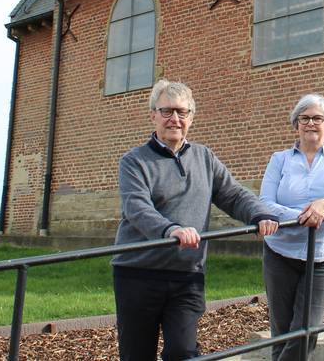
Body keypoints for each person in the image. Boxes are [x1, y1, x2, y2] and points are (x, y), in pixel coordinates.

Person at [112, 80, 279, 361]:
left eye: (181, 112)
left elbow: (233, 194)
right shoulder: (134, 161)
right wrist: (171, 229)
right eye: (166, 111)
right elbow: (137, 207)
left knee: (183, 352)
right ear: (153, 114)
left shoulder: (204, 158)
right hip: (138, 274)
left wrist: (259, 213)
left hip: (188, 274)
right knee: (137, 355)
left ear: (191, 117)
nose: (174, 119)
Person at [260, 94, 324, 361]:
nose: (311, 123)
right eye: (305, 118)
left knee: (306, 329)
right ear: (296, 124)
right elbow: (265, 202)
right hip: (279, 251)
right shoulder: (279, 159)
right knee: (281, 330)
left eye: (318, 118)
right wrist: (302, 216)